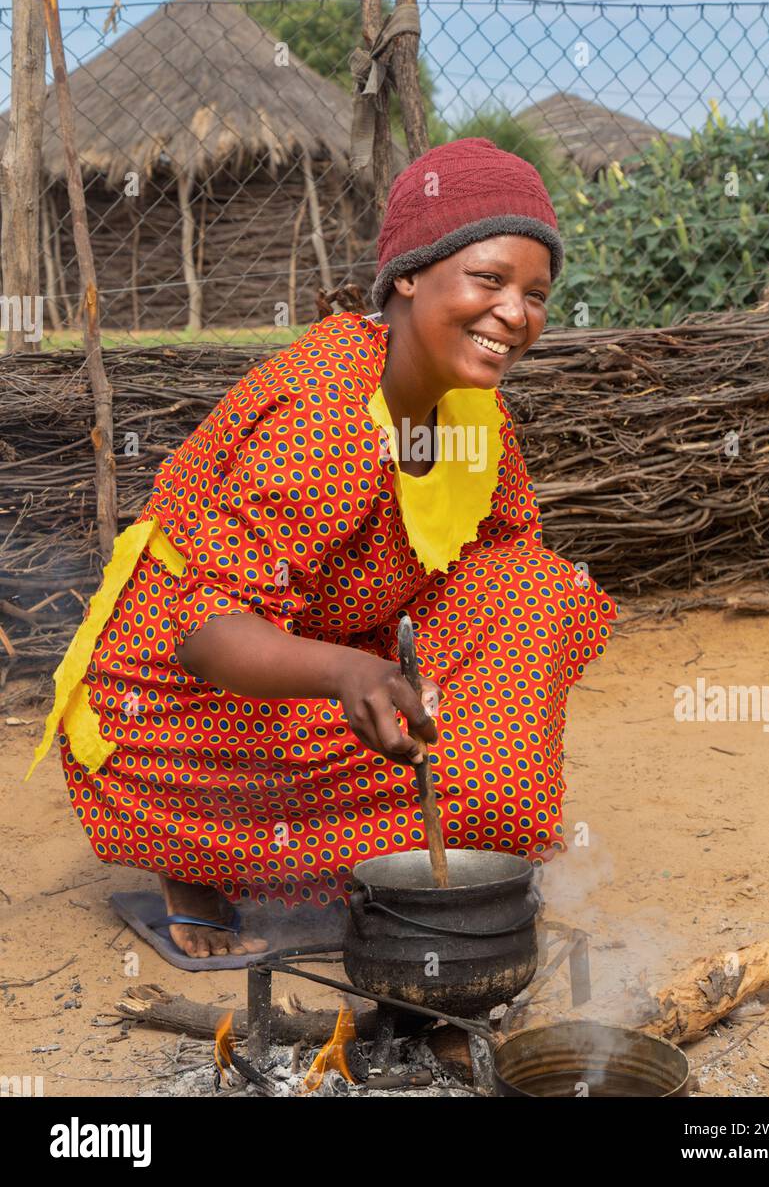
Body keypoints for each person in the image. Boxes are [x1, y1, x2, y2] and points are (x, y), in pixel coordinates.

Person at [28, 136, 617, 958]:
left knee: (537, 597)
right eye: (490, 280)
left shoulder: (476, 418)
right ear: (409, 275)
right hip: (180, 704)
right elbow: (205, 631)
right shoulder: (328, 414)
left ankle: (429, 831)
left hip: (335, 647)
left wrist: (430, 681)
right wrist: (351, 673)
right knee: (476, 781)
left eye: (537, 294)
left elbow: (502, 569)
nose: (516, 315)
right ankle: (195, 850)